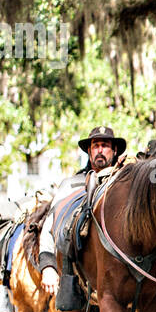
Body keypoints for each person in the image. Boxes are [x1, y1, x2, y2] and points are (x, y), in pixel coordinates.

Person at [38, 125, 126, 296]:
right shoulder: (70, 185)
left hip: (124, 281)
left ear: (115, 150)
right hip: (81, 280)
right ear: (89, 150)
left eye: (105, 145)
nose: (100, 150)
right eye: (95, 145)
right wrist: (48, 265)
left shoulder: (126, 184)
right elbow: (50, 227)